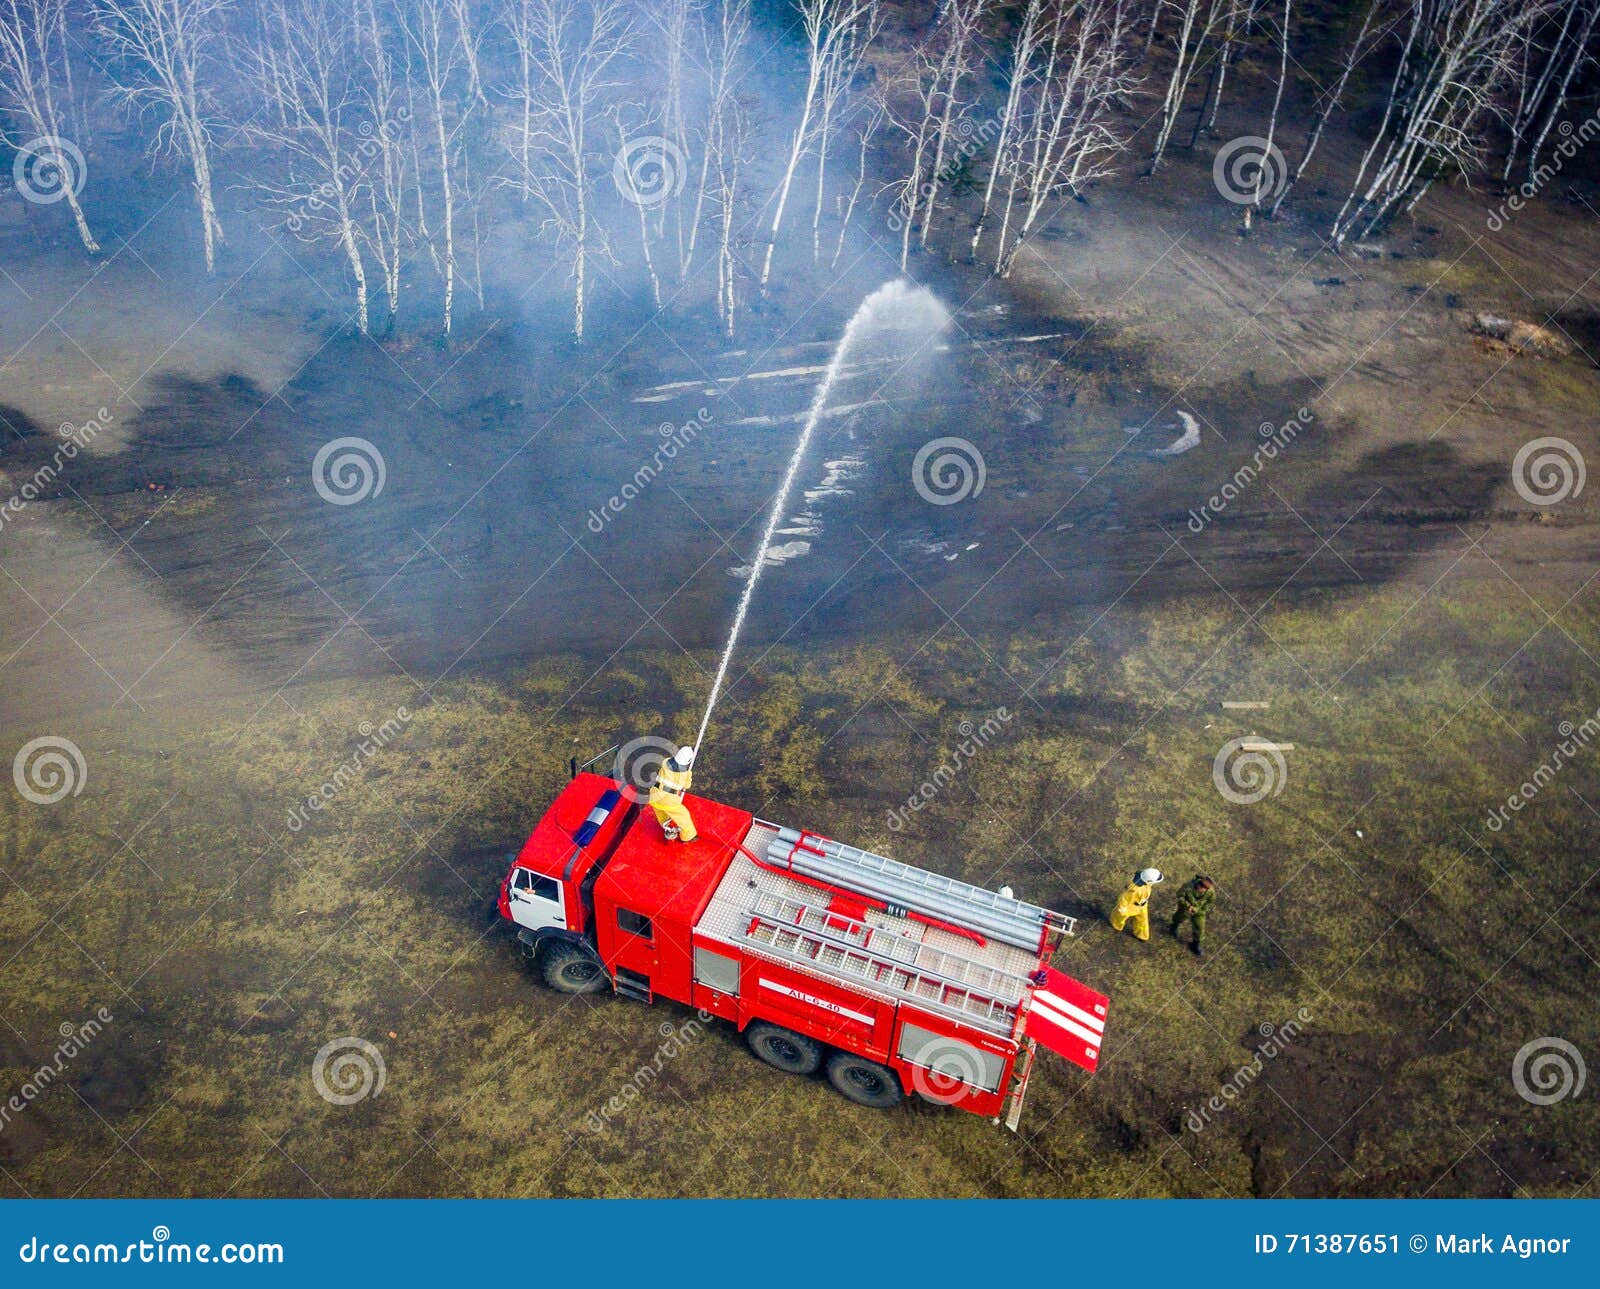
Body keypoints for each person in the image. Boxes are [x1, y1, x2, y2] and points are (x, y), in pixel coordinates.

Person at [648, 745, 698, 842]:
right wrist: (689, 775)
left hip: (654, 794)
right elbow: (687, 786)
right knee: (683, 816)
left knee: (660, 811)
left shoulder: (665, 762)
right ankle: (688, 837)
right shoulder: (684, 774)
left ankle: (664, 824)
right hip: (668, 800)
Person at [1109, 868, 1164, 941]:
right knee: (1120, 916)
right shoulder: (1135, 889)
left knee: (1143, 921)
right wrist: (1122, 908)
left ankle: (1142, 935)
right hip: (1130, 906)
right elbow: (1124, 898)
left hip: (1142, 906)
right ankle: (1116, 925)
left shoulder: (1146, 884)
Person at [1169, 875, 1215, 957]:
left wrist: (1202, 910)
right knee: (1178, 918)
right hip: (1185, 908)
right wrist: (1187, 906)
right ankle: (1173, 927)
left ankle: (1195, 945)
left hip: (1199, 911)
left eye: (1205, 888)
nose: (1203, 889)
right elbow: (1179, 896)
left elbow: (1210, 901)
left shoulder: (1210, 892)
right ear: (1199, 884)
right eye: (1202, 886)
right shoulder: (1188, 886)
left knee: (1200, 927)